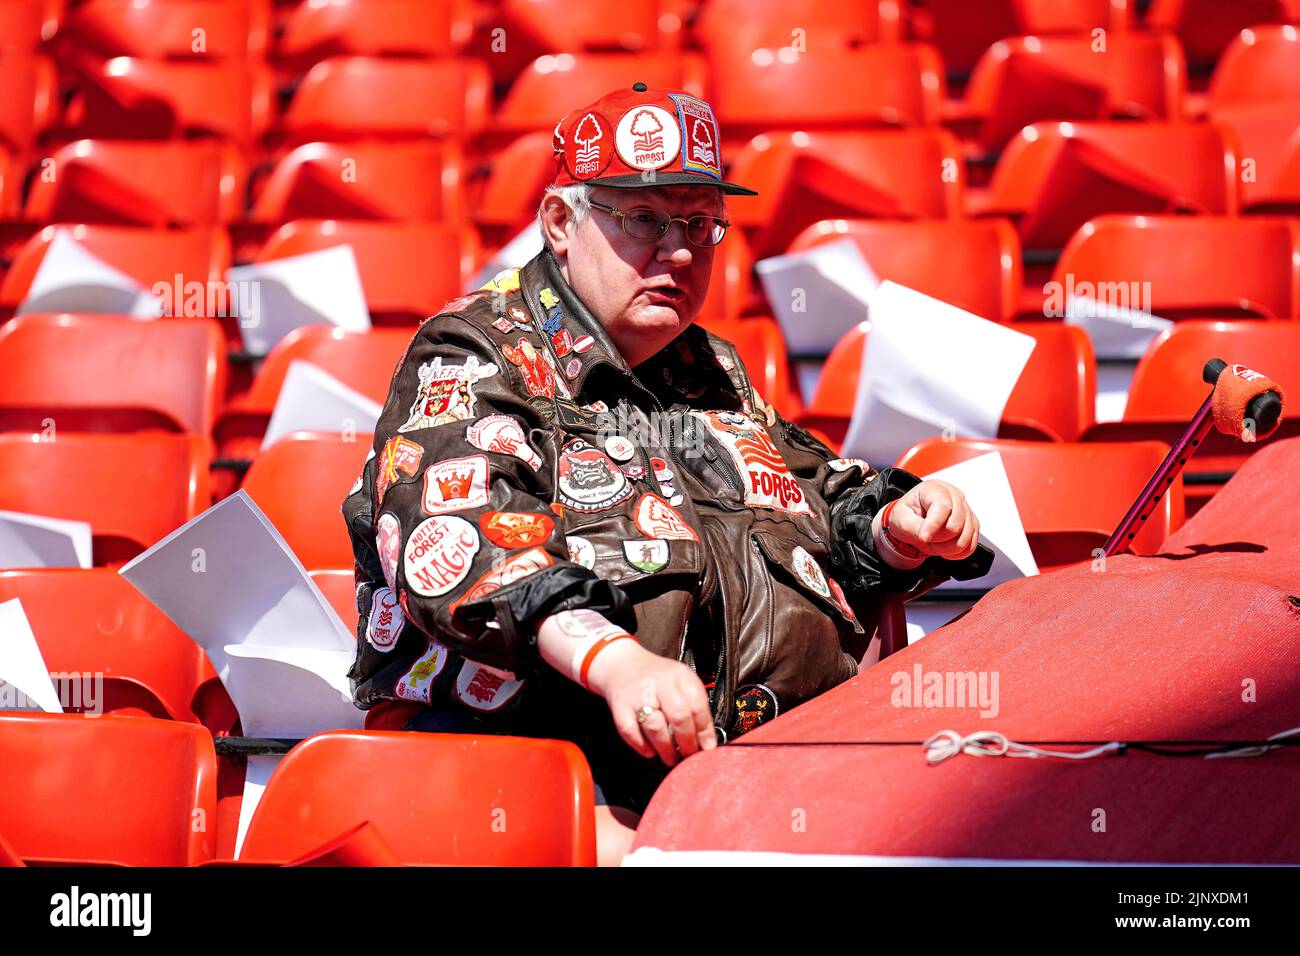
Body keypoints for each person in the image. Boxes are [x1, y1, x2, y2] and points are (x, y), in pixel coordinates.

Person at [342, 84, 981, 864]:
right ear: (560, 224)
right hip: (541, 785)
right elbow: (459, 540)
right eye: (644, 219)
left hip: (749, 788)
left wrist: (894, 527)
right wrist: (616, 662)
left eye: (701, 224)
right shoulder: (479, 356)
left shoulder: (707, 370)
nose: (678, 251)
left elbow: (809, 494)